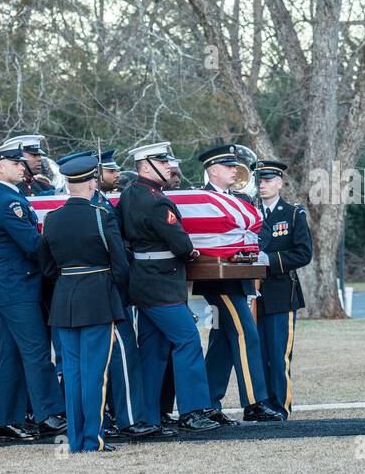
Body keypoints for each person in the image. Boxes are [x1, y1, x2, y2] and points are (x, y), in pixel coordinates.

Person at [118, 142, 220, 433]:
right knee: (188, 341)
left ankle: (149, 415)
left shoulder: (128, 195)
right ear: (145, 166)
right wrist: (190, 253)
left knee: (153, 350)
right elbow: (182, 244)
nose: (169, 167)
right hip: (163, 285)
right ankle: (192, 411)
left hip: (142, 281)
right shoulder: (157, 202)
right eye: (162, 163)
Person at [37, 152, 130, 453]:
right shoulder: (101, 217)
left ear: (67, 183)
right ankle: (93, 439)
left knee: (74, 374)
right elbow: (121, 266)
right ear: (92, 182)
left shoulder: (51, 220)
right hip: (97, 299)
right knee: (95, 374)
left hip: (65, 300)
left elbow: (48, 268)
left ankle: (77, 439)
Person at [0, 141, 66, 443]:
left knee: (13, 355)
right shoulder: (5, 201)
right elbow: (31, 244)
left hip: (11, 284)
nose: (21, 167)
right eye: (16, 163)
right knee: (37, 352)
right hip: (18, 285)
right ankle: (49, 415)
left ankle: (7, 420)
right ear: (0, 167)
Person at [194, 143, 282, 422]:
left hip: (237, 279)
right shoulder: (201, 201)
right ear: (212, 170)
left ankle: (208, 403)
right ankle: (255, 402)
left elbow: (262, 231)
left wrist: (248, 248)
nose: (235, 170)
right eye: (228, 166)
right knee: (247, 333)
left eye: (235, 165)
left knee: (222, 342)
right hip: (219, 283)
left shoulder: (239, 198)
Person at [92, 149, 166, 439]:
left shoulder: (98, 206)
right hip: (110, 291)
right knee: (123, 355)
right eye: (109, 172)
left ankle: (104, 419)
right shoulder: (99, 209)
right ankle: (129, 419)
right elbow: (117, 253)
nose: (116, 175)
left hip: (88, 292)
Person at [253, 159, 313, 416]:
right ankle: (261, 404)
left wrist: (271, 261)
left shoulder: (292, 214)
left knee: (278, 353)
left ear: (279, 183)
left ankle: (280, 405)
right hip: (255, 294)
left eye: (267, 180)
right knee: (258, 352)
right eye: (259, 181)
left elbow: (303, 253)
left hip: (281, 293)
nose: (262, 185)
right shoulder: (250, 212)